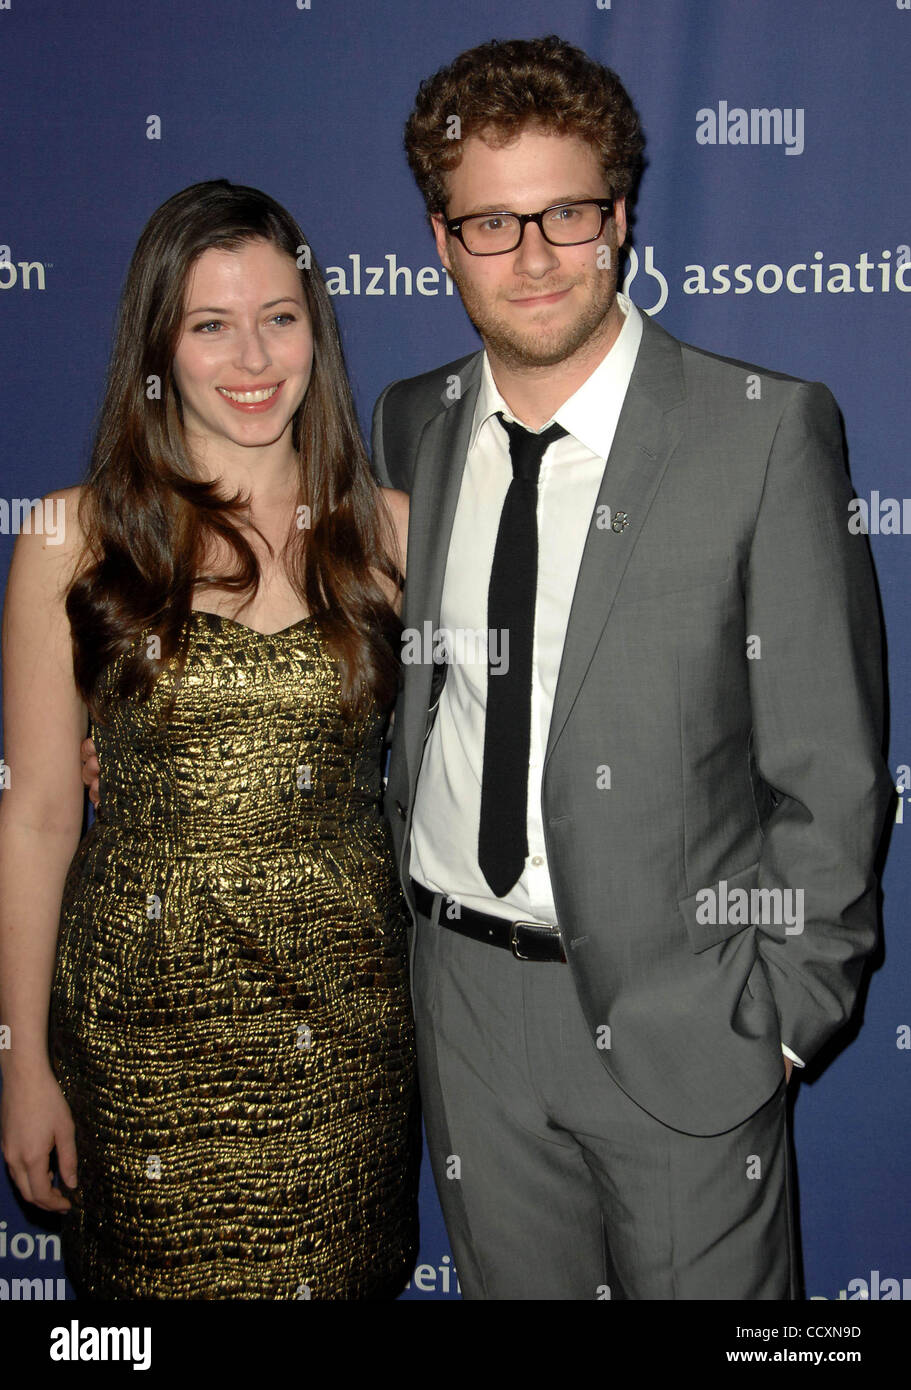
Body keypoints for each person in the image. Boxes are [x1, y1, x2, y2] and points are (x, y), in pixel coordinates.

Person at [367, 36, 891, 1298]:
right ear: (440, 243)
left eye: (566, 212)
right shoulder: (408, 421)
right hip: (462, 1007)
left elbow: (829, 770)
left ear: (621, 220)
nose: (532, 255)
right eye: (489, 222)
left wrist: (777, 1022)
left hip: (686, 1016)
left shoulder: (761, 431)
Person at [0, 180, 418, 1299]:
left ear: (314, 331)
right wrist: (22, 1061)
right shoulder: (70, 538)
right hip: (137, 1039)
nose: (253, 356)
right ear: (159, 345)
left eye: (279, 317)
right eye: (209, 324)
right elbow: (39, 812)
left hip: (342, 1039)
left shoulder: (393, 533)